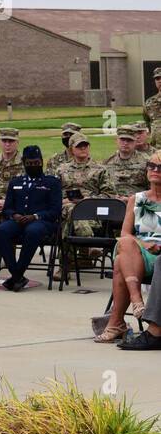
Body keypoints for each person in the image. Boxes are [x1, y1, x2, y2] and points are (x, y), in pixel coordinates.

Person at [96, 151, 161, 343]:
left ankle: (116, 324)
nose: (155, 171)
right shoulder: (136, 199)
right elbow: (125, 233)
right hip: (139, 251)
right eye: (151, 166)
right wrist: (143, 243)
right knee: (125, 243)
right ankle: (137, 301)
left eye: (160, 167)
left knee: (119, 263)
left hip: (159, 257)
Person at [0, 146, 62, 293]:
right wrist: (14, 215)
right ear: (24, 163)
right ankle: (17, 275)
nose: (33, 166)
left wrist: (36, 216)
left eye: (36, 162)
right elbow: (7, 208)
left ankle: (16, 275)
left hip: (43, 222)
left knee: (33, 231)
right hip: (18, 220)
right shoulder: (16, 182)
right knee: (1, 230)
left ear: (42, 162)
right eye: (30, 163)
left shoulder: (52, 183)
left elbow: (55, 210)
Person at [56, 131, 110, 275]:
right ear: (71, 149)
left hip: (93, 213)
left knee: (69, 220)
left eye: (86, 145)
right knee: (71, 209)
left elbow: (110, 195)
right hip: (65, 209)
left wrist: (88, 201)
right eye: (79, 146)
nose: (83, 148)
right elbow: (53, 195)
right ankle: (89, 244)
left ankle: (64, 266)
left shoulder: (100, 170)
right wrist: (65, 200)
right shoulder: (61, 169)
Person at [0, 128, 25, 217]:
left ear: (17, 142)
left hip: (18, 207)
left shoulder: (25, 163)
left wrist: (7, 203)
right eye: (4, 141)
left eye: (11, 141)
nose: (7, 144)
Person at [103, 125, 149, 198]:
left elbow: (153, 188)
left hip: (138, 203)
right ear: (116, 140)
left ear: (135, 142)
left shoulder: (146, 161)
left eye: (129, 140)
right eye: (122, 139)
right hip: (113, 202)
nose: (125, 143)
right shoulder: (107, 162)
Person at [144, 67, 161, 146]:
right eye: (157, 79)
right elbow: (147, 123)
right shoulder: (149, 103)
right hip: (156, 150)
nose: (160, 81)